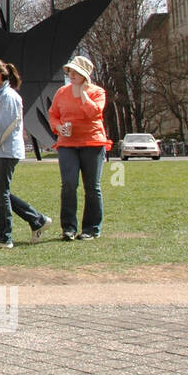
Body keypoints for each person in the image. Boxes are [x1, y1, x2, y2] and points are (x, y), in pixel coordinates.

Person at [0, 59, 51, 249]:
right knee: (3, 193)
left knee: (1, 193)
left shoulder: (7, 96)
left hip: (6, 151)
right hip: (3, 149)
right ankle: (37, 220)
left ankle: (4, 237)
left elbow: (5, 127)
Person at [49, 55, 111, 241]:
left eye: (76, 72)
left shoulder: (97, 92)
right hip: (67, 144)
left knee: (92, 187)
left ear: (85, 75)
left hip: (92, 143)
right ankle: (68, 228)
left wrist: (83, 94)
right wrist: (59, 127)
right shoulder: (61, 92)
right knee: (68, 184)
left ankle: (91, 228)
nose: (72, 75)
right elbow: (53, 115)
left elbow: (94, 113)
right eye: (70, 71)